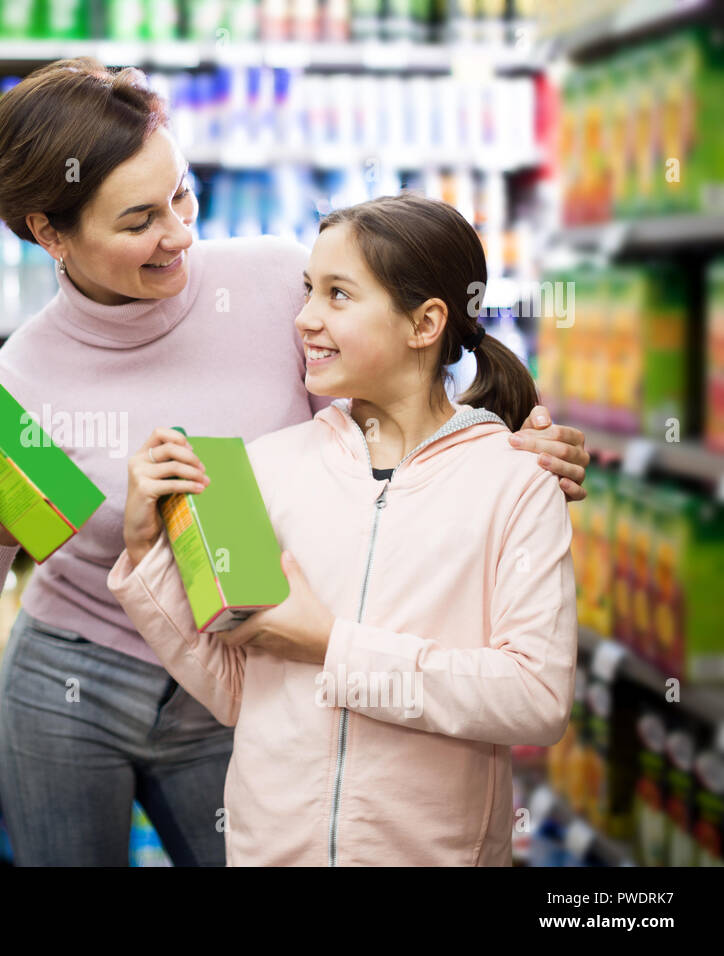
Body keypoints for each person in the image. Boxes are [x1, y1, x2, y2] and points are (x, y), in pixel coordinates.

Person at [0, 59, 590, 867]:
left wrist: (495, 452)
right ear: (51, 232)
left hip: (252, 659)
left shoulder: (270, 283)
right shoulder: (17, 388)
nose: (181, 234)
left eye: (183, 194)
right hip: (71, 686)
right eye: (138, 221)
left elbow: (377, 427)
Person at [109, 193, 579, 865]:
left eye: (338, 295)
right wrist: (145, 553)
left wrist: (334, 646)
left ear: (425, 323)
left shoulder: (515, 482)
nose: (304, 319)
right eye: (307, 292)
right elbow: (240, 694)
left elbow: (534, 698)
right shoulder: (267, 467)